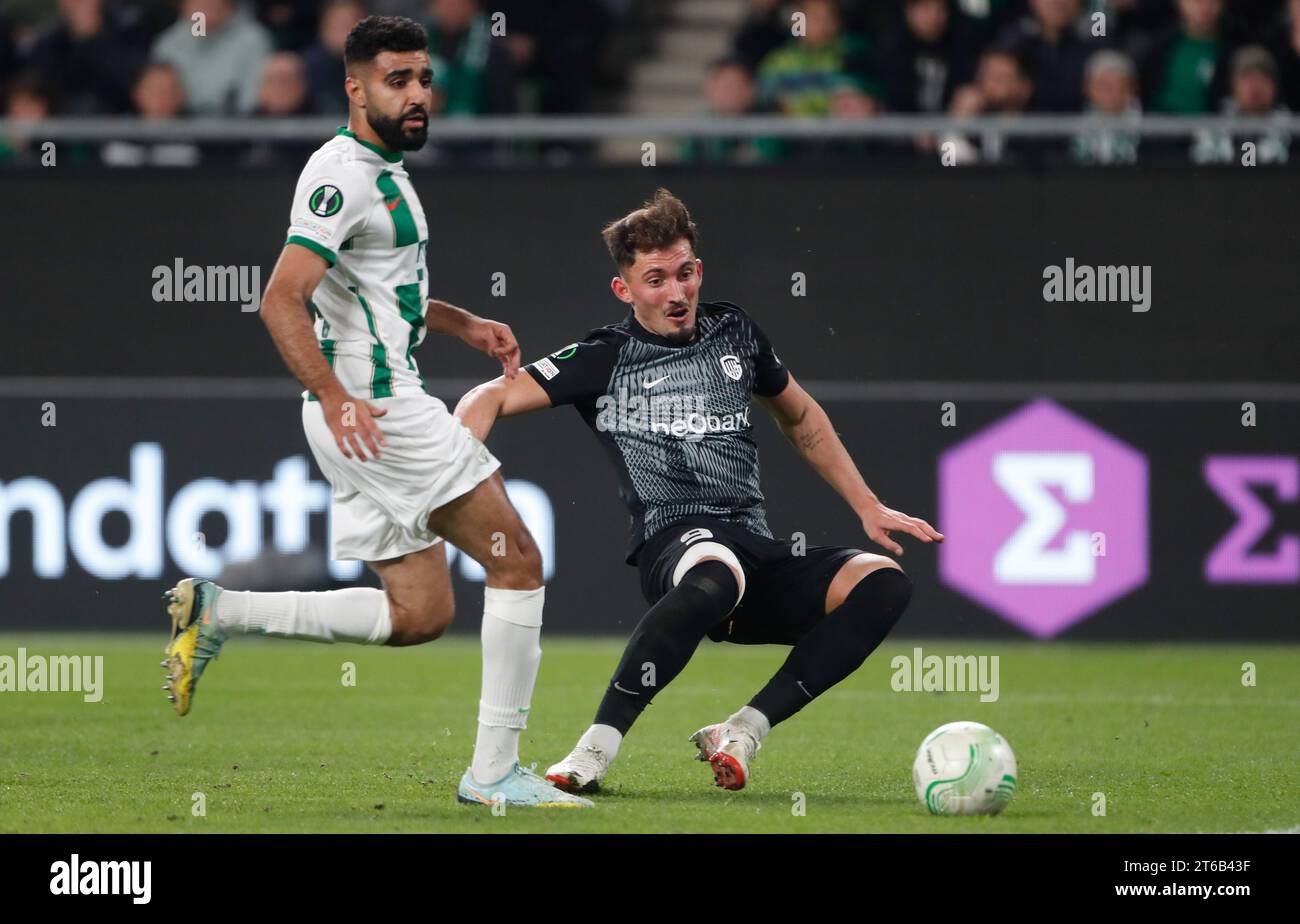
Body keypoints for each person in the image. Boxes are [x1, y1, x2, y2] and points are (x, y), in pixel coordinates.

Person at [159, 15, 591, 809]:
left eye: (424, 78)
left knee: (421, 612)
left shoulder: (383, 168)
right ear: (354, 88)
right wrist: (336, 395)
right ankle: (494, 775)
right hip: (378, 412)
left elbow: (377, 294)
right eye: (398, 80)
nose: (418, 94)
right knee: (519, 561)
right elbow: (280, 300)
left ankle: (222, 607)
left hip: (360, 415)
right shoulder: (343, 175)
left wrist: (460, 323)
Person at [454, 189, 942, 793]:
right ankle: (594, 751)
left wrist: (867, 505)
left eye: (684, 274)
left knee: (883, 584)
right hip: (676, 545)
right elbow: (488, 396)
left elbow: (801, 417)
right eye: (655, 279)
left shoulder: (734, 330)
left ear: (699, 270)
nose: (676, 292)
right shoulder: (606, 357)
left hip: (755, 550)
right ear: (624, 290)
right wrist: (462, 472)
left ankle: (744, 729)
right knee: (716, 569)